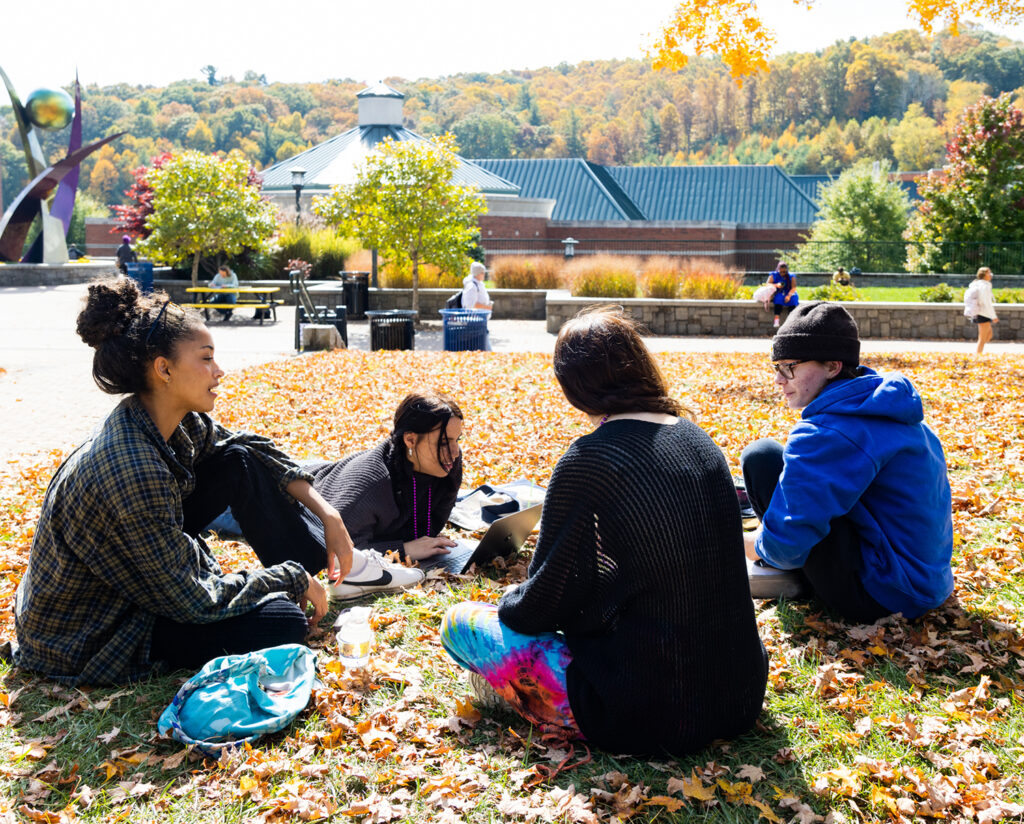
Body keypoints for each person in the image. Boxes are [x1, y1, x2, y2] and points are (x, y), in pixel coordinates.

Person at [12, 278, 419, 686]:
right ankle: (316, 577)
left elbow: (254, 452)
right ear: (164, 369)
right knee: (283, 621)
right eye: (206, 359)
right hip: (90, 632)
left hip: (131, 581)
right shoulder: (133, 466)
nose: (219, 371)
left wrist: (328, 513)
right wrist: (288, 577)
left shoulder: (173, 421)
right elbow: (194, 600)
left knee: (239, 459)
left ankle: (336, 571)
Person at [440, 307, 767, 756]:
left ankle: (522, 700)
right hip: (738, 695)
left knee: (458, 622)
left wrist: (504, 603)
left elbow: (540, 606)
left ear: (575, 387)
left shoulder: (590, 459)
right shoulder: (699, 441)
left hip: (644, 711)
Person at [741, 302, 954, 623]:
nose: (778, 380)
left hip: (882, 595)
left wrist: (743, 543)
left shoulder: (827, 432)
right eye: (776, 367)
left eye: (789, 366)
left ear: (832, 366)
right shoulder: (889, 408)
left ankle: (783, 569)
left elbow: (787, 544)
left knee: (760, 457)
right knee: (772, 458)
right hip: (925, 583)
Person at [303, 390, 464, 578]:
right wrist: (403, 550)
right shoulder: (371, 485)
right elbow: (335, 551)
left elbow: (430, 527)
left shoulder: (447, 466)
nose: (455, 452)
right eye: (445, 442)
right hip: (303, 491)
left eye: (457, 440)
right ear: (410, 440)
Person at [964, 267, 998, 354]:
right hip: (983, 313)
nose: (991, 275)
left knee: (989, 335)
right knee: (982, 338)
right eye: (989, 273)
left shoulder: (982, 284)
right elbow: (986, 302)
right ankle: (978, 356)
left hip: (982, 313)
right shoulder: (984, 286)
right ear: (983, 275)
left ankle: (978, 353)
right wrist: (993, 316)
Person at [768, 262, 798, 328]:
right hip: (779, 291)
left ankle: (791, 321)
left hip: (789, 292)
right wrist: (776, 285)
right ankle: (776, 320)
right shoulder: (774, 275)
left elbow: (794, 287)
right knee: (778, 299)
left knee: (793, 300)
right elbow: (768, 284)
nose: (782, 273)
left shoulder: (791, 276)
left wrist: (789, 296)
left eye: (784, 272)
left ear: (786, 270)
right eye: (780, 272)